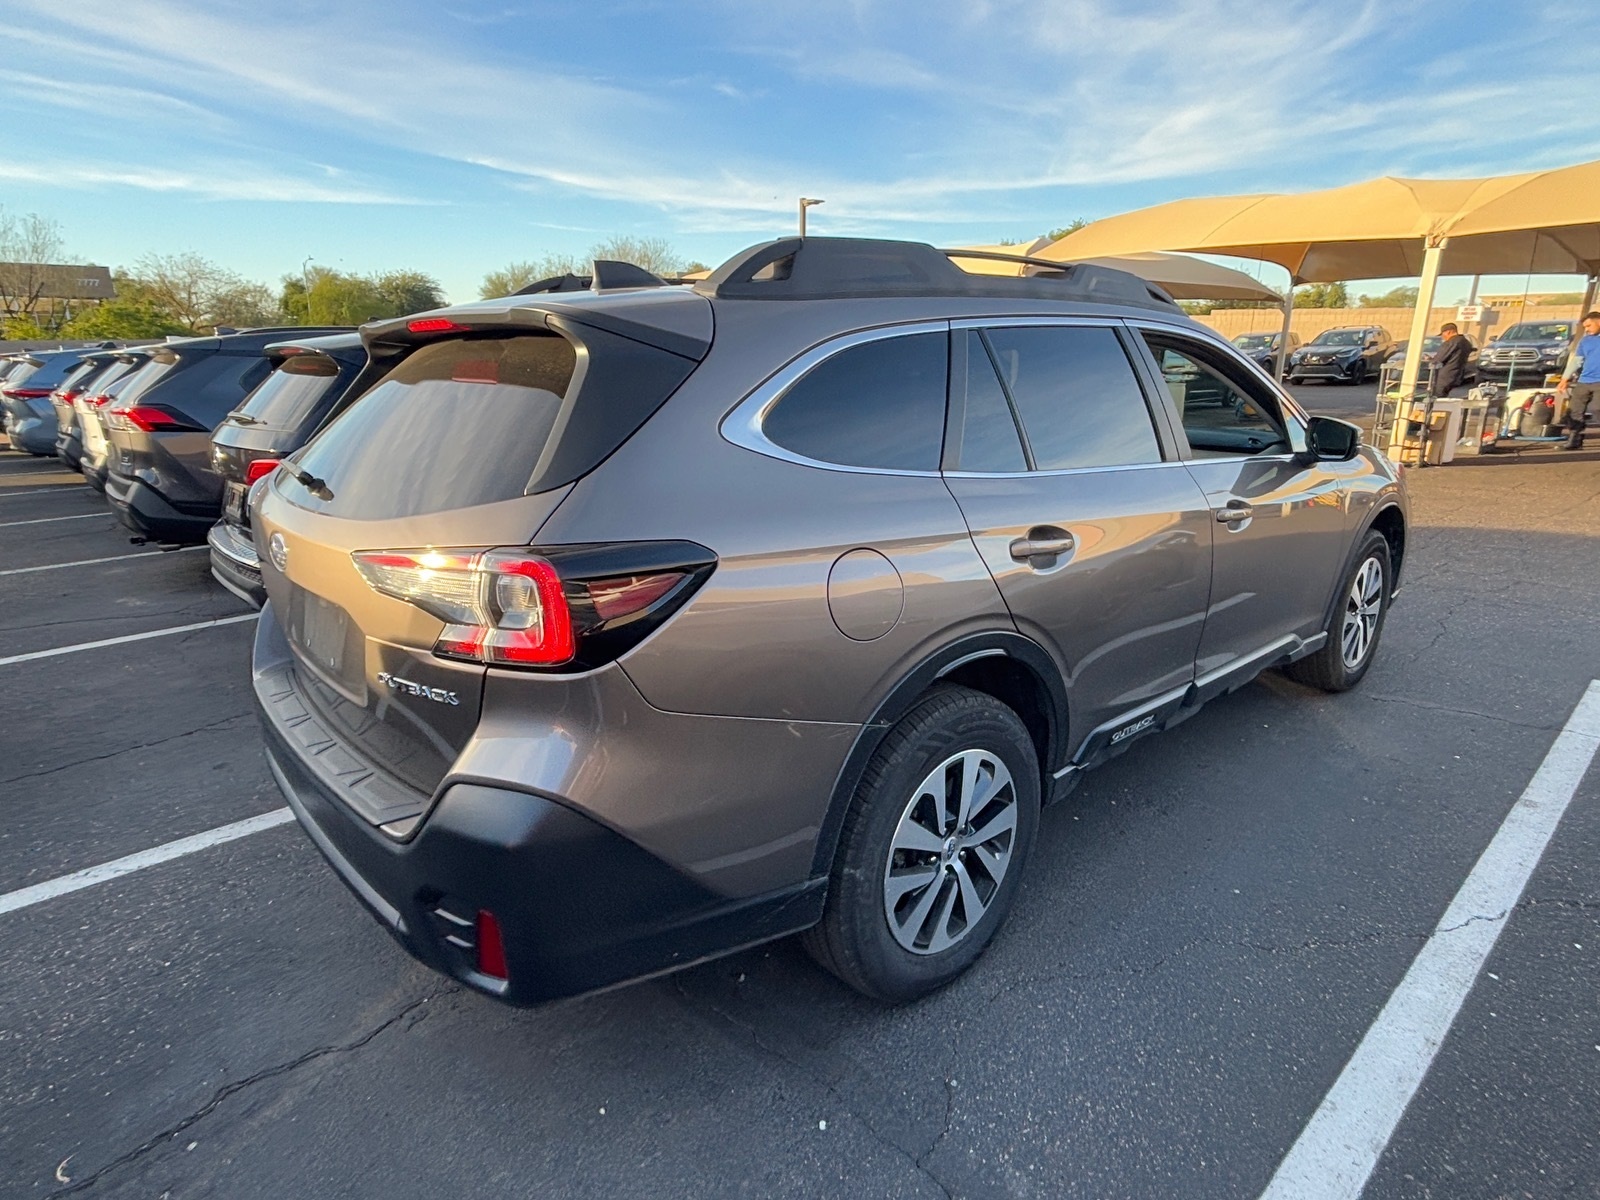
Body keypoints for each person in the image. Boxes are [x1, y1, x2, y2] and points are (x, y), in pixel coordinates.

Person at [1555, 310, 1600, 450]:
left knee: (1597, 408)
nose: (1586, 329)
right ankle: (1575, 439)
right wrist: (1564, 379)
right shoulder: (1586, 341)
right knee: (1574, 411)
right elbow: (1577, 361)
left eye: (1589, 326)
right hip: (1584, 380)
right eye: (1585, 327)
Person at [1429, 322, 1472, 398]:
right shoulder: (1466, 342)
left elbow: (1439, 358)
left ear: (1448, 332)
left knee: (1438, 398)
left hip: (1445, 376)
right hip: (1458, 374)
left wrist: (1431, 360)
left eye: (1443, 334)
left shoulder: (1451, 343)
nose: (1443, 337)